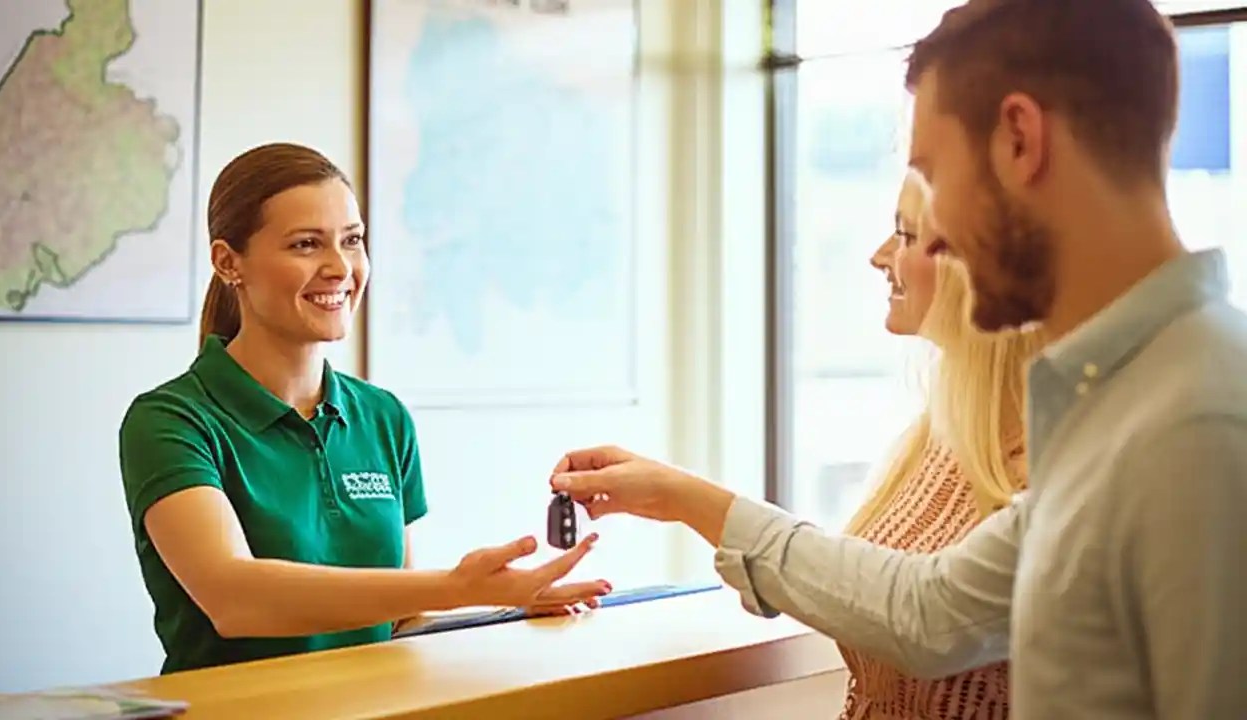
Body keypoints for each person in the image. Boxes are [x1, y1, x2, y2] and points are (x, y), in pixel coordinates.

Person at [548, 1, 1247, 718]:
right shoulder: (1119, 398)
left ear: (1018, 141)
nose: (933, 235)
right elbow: (932, 612)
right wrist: (679, 497)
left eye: (933, 176)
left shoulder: (1195, 422)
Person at [118, 142, 610, 674]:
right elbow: (234, 598)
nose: (340, 267)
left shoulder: (383, 416)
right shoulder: (171, 420)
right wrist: (455, 588)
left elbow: (404, 621)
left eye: (352, 241)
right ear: (228, 262)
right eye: (306, 244)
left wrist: (505, 611)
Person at [833, 171, 1042, 719]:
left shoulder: (1050, 480)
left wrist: (694, 504)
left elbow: (919, 616)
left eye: (905, 235)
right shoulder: (930, 440)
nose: (880, 258)